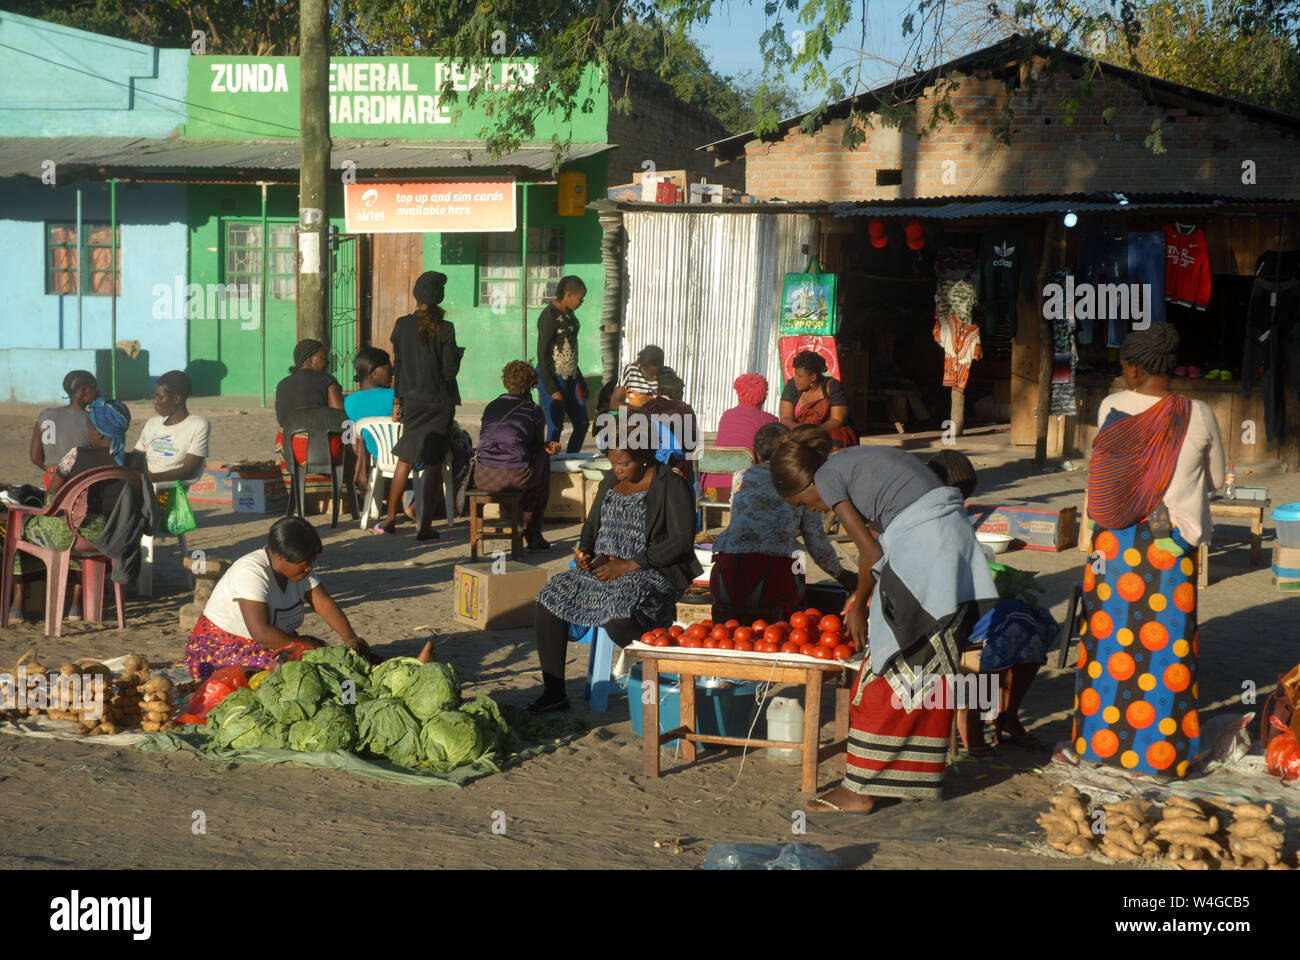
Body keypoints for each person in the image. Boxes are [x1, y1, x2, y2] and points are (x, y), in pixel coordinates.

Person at [771, 426, 998, 813]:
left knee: (881, 674)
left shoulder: (828, 476)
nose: (814, 509)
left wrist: (859, 600)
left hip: (927, 554)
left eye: (805, 502)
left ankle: (859, 789)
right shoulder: (851, 461)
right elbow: (880, 539)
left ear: (807, 483)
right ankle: (906, 776)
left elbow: (870, 550)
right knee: (923, 671)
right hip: (948, 549)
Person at [1073, 323, 1224, 778]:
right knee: (1167, 651)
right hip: (1169, 548)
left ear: (1134, 369)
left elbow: (1103, 476)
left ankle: (1099, 747)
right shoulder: (1199, 413)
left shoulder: (1112, 407)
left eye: (1123, 368)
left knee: (1106, 644)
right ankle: (1161, 756)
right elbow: (1215, 481)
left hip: (1113, 544)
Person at [528, 411, 701, 713]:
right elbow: (592, 524)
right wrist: (583, 551)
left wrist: (630, 565)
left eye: (624, 463)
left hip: (650, 573)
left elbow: (681, 541)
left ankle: (662, 677)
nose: (617, 469)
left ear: (645, 457)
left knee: (619, 615)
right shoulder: (611, 479)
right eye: (612, 462)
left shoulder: (671, 486)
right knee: (548, 599)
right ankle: (554, 692)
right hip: (602, 569)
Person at [927, 450, 1052, 755]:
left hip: (960, 600)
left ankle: (1007, 714)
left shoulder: (952, 513)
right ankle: (973, 725)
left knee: (1039, 620)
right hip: (936, 610)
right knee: (1009, 624)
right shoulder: (926, 517)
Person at [184, 517, 385, 681]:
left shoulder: (300, 572)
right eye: (305, 563)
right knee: (295, 669)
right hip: (219, 649)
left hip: (268, 644)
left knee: (322, 654)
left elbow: (323, 604)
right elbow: (261, 634)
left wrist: (349, 637)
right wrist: (308, 647)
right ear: (280, 556)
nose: (310, 568)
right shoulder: (251, 572)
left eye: (312, 562)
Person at [11, 399, 144, 623]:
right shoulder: (138, 461)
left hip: (74, 537)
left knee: (26, 529)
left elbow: (51, 496)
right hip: (113, 538)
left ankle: (16, 607)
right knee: (77, 531)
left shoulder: (77, 455)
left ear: (100, 433)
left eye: (90, 427)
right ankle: (76, 606)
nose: (87, 431)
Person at [711, 423, 856, 621]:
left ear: (757, 455)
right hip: (775, 577)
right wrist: (842, 575)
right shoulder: (801, 480)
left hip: (727, 574)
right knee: (798, 558)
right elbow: (815, 540)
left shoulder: (742, 475)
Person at [376, 271, 461, 540]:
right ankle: (424, 528)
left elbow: (397, 367)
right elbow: (449, 371)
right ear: (439, 298)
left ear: (417, 295)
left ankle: (390, 519)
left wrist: (397, 402)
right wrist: (458, 356)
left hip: (411, 401)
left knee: (405, 458)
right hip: (439, 403)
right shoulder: (445, 328)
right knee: (433, 464)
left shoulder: (402, 325)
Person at [475, 361, 561, 552]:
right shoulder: (533, 410)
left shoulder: (491, 406)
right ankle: (533, 534)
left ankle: (516, 521)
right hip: (513, 477)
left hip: (483, 476)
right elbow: (537, 445)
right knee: (541, 462)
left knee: (522, 466)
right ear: (531, 385)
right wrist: (548, 447)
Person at [343, 347, 415, 520]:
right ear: (374, 372)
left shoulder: (350, 401)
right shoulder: (395, 396)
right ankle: (415, 500)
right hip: (408, 458)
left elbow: (357, 437)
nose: (392, 373)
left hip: (381, 459)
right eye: (388, 369)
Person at [701, 373, 779, 499]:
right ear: (764, 397)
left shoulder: (726, 416)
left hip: (712, 486)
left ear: (739, 393)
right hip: (747, 485)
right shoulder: (769, 420)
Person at [535, 276, 589, 454]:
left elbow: (571, 352)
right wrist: (553, 390)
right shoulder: (548, 317)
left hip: (572, 376)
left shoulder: (570, 315)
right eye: (580, 299)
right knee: (555, 427)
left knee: (582, 423)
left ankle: (571, 459)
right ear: (568, 294)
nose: (581, 302)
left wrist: (580, 380)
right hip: (552, 377)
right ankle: (549, 467)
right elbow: (542, 355)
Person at [134, 371, 210, 485]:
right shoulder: (152, 423)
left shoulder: (198, 425)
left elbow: (187, 471)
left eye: (160, 397)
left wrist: (150, 478)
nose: (155, 402)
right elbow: (137, 457)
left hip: (168, 486)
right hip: (144, 483)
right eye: (154, 396)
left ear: (176, 399)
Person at [30, 371, 97, 487]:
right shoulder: (91, 420)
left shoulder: (45, 415)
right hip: (78, 484)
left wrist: (57, 474)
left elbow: (35, 457)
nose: (97, 392)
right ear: (84, 391)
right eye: (94, 388)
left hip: (51, 482)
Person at [779, 350, 857, 449]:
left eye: (800, 376)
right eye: (795, 375)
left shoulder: (832, 386)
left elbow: (837, 420)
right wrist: (801, 430)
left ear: (813, 377)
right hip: (800, 432)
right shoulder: (792, 385)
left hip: (827, 431)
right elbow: (785, 418)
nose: (796, 379)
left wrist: (814, 431)